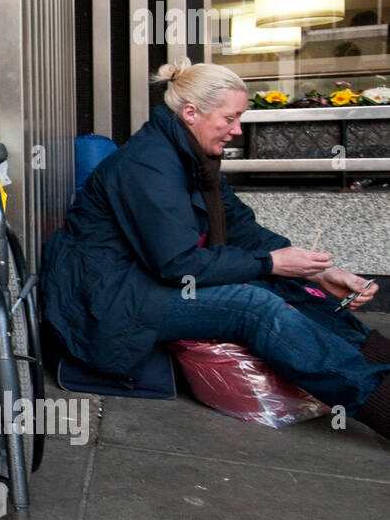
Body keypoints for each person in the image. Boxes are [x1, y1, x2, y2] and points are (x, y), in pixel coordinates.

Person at [42, 58, 390, 439]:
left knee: (284, 286)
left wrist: (316, 272)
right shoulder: (148, 165)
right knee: (255, 307)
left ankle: (376, 358)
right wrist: (270, 263)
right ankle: (379, 401)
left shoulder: (194, 157)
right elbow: (177, 265)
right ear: (191, 113)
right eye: (230, 118)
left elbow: (240, 227)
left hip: (147, 281)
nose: (237, 130)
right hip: (112, 299)